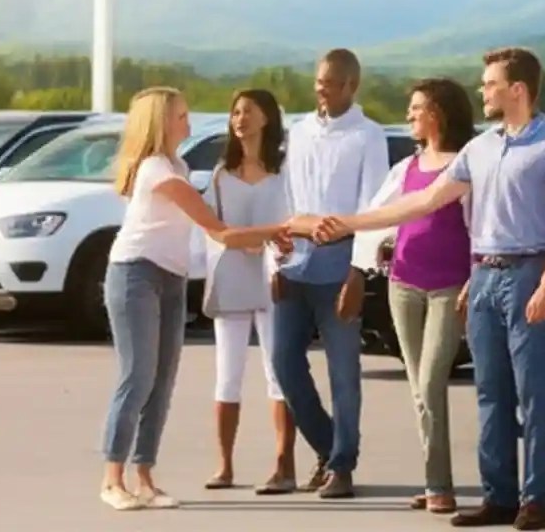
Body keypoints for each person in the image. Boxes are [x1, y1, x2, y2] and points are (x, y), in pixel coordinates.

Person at [317, 47, 545, 531]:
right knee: (490, 392)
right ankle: (498, 496)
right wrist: (348, 224)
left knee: (533, 393)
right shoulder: (477, 151)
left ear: (517, 90)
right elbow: (422, 201)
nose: (482, 91)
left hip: (527, 274)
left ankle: (536, 500)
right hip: (481, 276)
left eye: (490, 84)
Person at [99, 86, 293, 511]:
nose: (190, 122)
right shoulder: (155, 170)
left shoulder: (179, 164)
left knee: (162, 380)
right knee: (137, 378)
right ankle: (113, 479)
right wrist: (288, 229)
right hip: (135, 274)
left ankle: (145, 477)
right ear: (161, 122)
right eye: (182, 115)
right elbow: (220, 231)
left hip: (170, 278)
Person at [350, 78, 475, 514]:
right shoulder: (407, 167)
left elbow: (480, 230)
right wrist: (376, 247)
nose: (409, 116)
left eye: (417, 108)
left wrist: (473, 281)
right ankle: (435, 481)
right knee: (418, 389)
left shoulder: (465, 166)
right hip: (402, 284)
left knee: (430, 380)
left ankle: (441, 484)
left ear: (438, 113)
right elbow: (382, 213)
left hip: (449, 288)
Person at [272, 48, 390, 499]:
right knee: (284, 361)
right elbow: (284, 201)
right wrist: (276, 260)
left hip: (341, 266)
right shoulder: (299, 133)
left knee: (344, 372)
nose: (321, 88)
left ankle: (342, 465)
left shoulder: (368, 136)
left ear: (350, 86)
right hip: (295, 264)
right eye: (318, 80)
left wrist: (358, 274)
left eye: (330, 82)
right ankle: (327, 446)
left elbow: (373, 211)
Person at [201, 89, 302, 495]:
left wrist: (279, 246)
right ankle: (224, 465)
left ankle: (284, 465)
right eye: (235, 112)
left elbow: (295, 224)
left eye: (249, 111)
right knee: (228, 374)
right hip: (231, 278)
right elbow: (212, 228)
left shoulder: (286, 171)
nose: (240, 118)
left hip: (275, 278)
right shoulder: (221, 174)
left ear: (267, 118)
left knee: (278, 373)